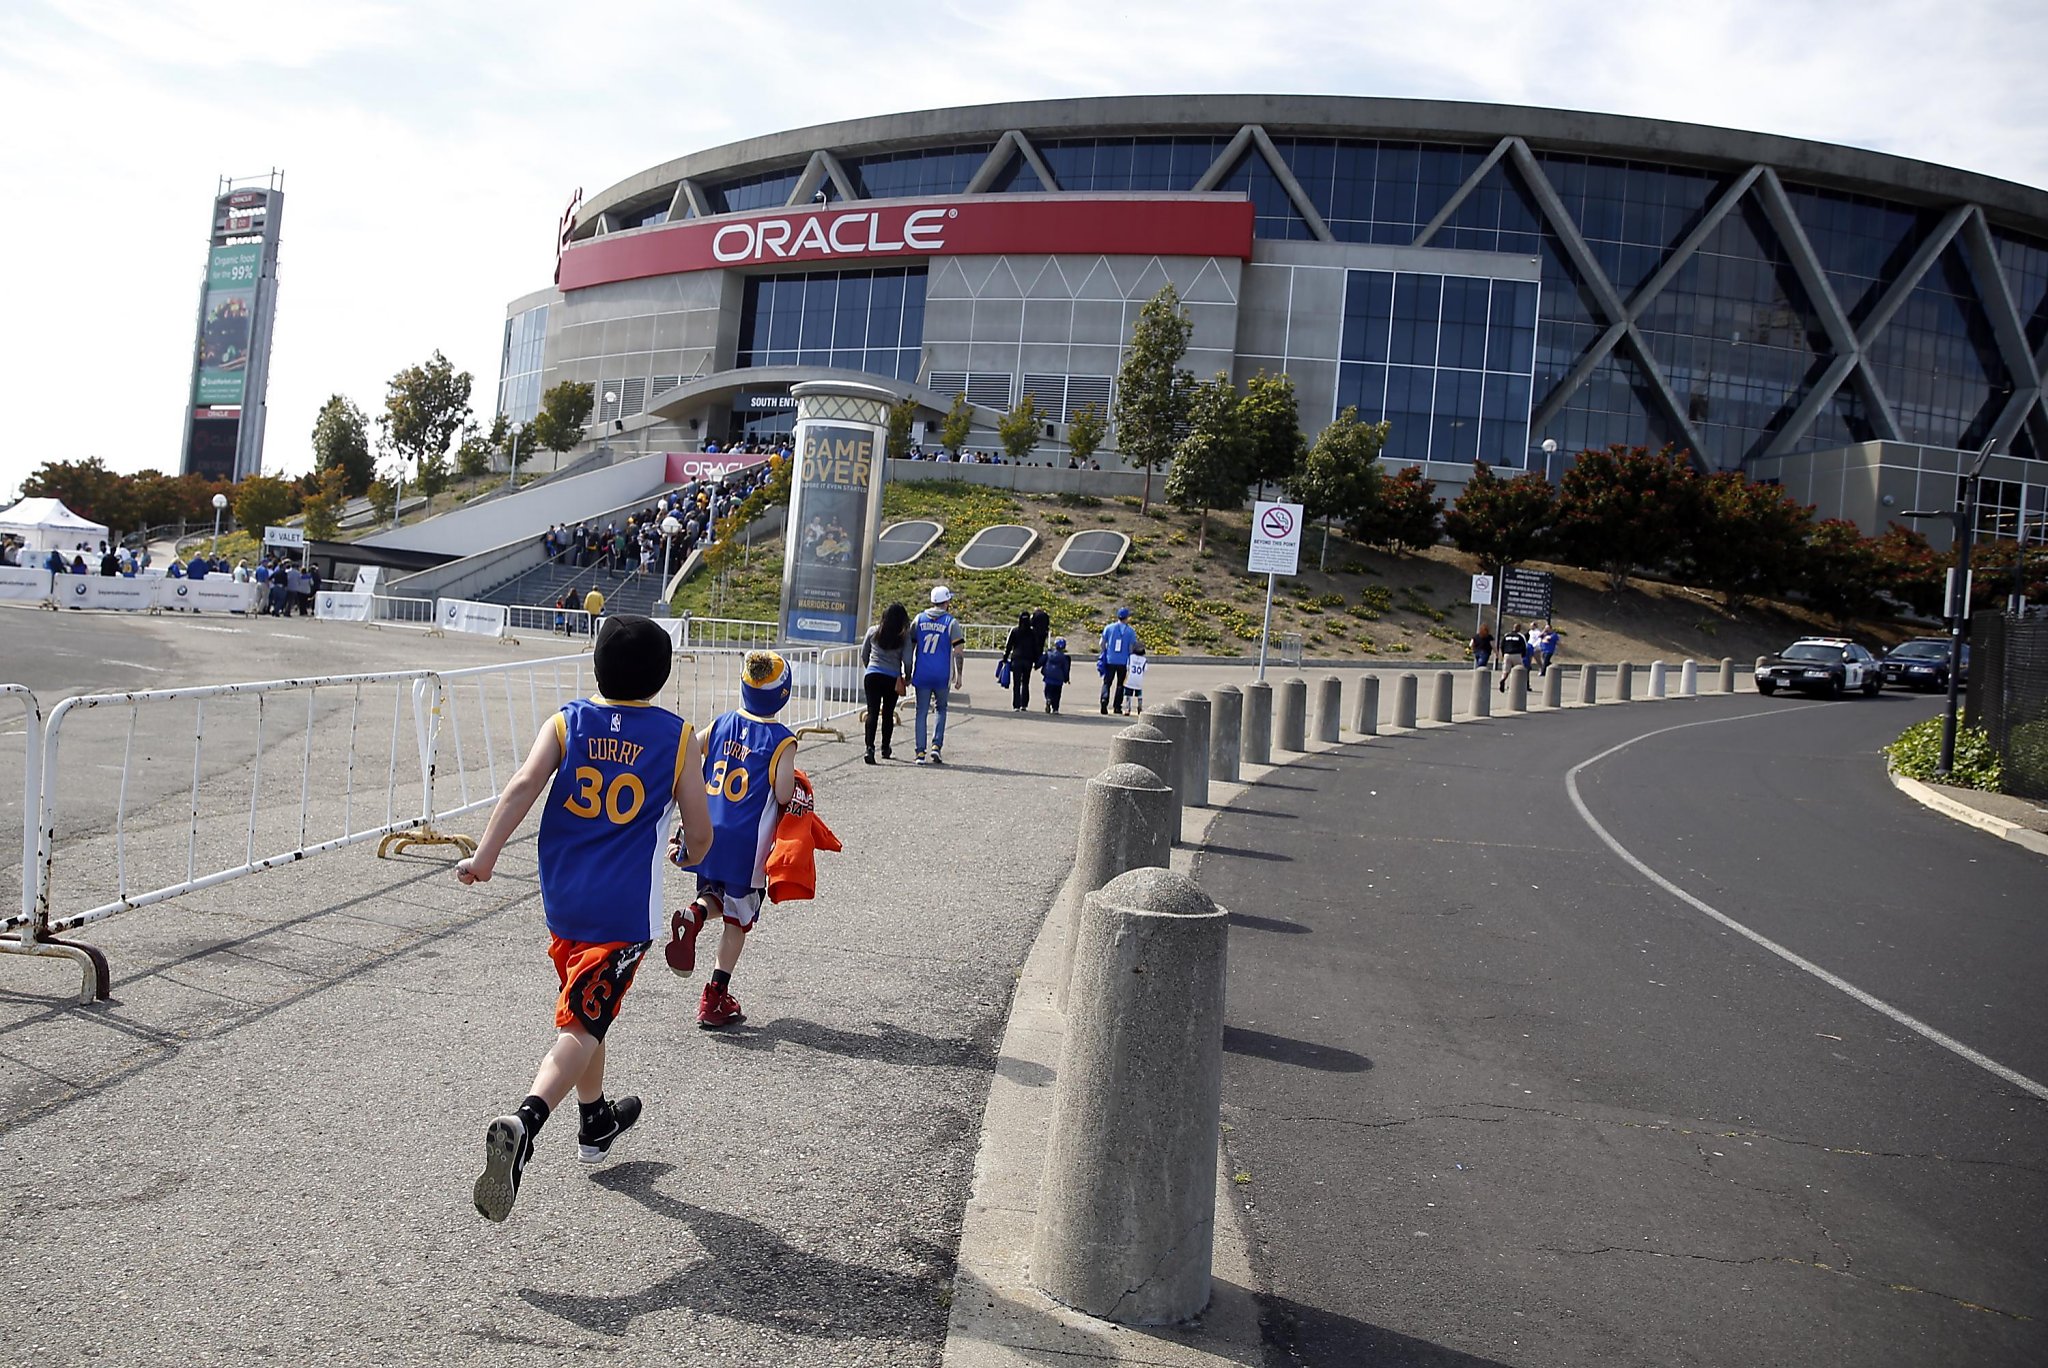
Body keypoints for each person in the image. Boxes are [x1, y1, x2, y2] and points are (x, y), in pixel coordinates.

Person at [455, 614, 711, 1223]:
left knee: (589, 1011)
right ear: (661, 676)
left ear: (596, 665)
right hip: (623, 910)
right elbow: (700, 829)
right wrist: (688, 854)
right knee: (582, 1025)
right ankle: (526, 1120)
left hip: (563, 898)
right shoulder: (677, 736)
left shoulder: (566, 722)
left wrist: (485, 857)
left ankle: (594, 1120)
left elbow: (523, 785)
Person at [667, 650, 800, 1029]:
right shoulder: (782, 740)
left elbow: (690, 749)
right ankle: (715, 996)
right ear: (783, 694)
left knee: (714, 895)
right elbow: (784, 792)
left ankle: (694, 914)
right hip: (746, 845)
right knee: (737, 921)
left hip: (708, 831)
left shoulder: (722, 722)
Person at [909, 585, 964, 764]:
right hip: (942, 674)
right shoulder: (951, 622)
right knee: (941, 708)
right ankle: (936, 746)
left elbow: (911, 645)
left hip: (922, 673)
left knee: (921, 712)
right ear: (946, 602)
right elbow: (958, 651)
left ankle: (920, 752)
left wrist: (907, 671)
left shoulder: (919, 619)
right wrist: (959, 675)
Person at [859, 602, 913, 764]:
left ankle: (869, 748)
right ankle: (885, 747)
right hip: (892, 677)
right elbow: (908, 660)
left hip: (872, 675)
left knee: (872, 712)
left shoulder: (873, 631)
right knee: (888, 714)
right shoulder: (903, 636)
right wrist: (907, 676)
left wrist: (870, 668)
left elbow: (864, 654)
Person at [1099, 607, 1138, 715]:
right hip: (1123, 661)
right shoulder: (1130, 631)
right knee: (1120, 684)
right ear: (1127, 618)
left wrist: (1105, 651)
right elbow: (1131, 648)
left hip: (1110, 659)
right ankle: (1117, 706)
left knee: (1107, 682)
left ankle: (1104, 700)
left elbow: (1101, 643)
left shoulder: (1109, 628)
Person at [1002, 611, 1039, 712]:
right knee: (1026, 683)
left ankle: (1016, 705)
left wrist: (1005, 657)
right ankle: (1024, 704)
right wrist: (1036, 661)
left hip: (1017, 659)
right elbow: (1036, 647)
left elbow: (1009, 646)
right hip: (1028, 660)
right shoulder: (1032, 632)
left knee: (1016, 683)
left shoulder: (1015, 631)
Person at [1040, 636, 1071, 714]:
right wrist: (1066, 678)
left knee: (1048, 691)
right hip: (1059, 679)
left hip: (1049, 676)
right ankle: (1055, 708)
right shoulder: (1064, 658)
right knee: (1057, 694)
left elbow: (1041, 660)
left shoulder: (1049, 653)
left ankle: (1048, 699)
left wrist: (1037, 666)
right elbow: (1066, 669)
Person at [1498, 622, 1530, 692]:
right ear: (1519, 629)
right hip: (1517, 654)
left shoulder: (1507, 635)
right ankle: (1515, 685)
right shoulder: (1520, 636)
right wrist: (1523, 655)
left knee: (1505, 671)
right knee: (1519, 670)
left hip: (1507, 654)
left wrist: (1503, 654)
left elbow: (1502, 645)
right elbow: (1524, 646)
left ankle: (1502, 679)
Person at [1124, 642, 1148, 714]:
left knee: (1128, 694)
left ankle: (1127, 709)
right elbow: (1145, 670)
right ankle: (1139, 708)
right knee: (1139, 694)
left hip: (1130, 679)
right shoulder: (1144, 660)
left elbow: (1127, 667)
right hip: (1139, 680)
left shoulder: (1131, 657)